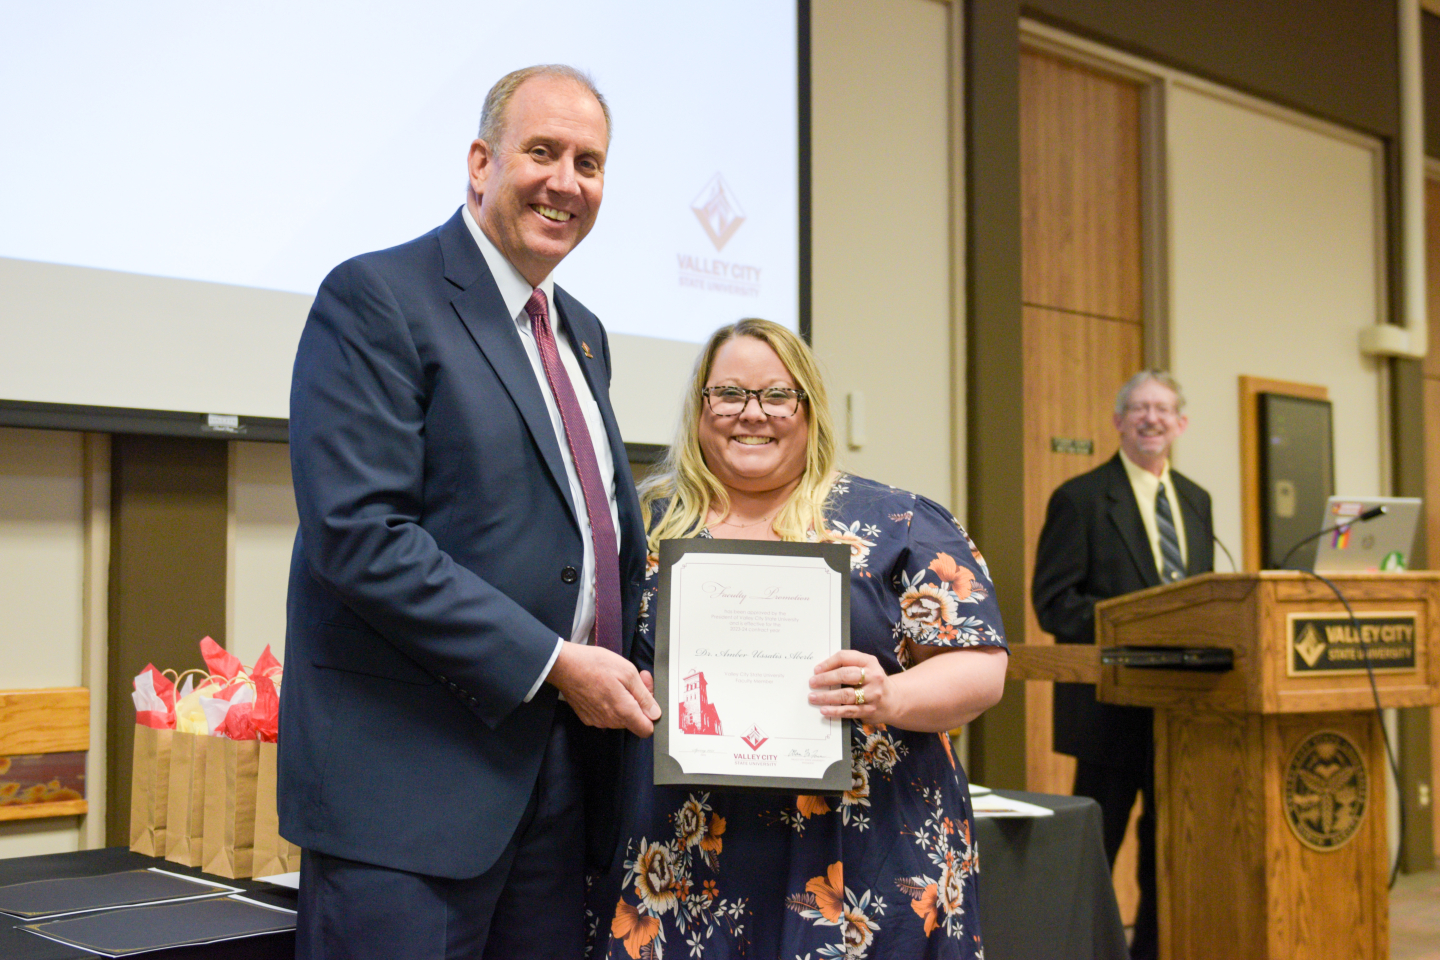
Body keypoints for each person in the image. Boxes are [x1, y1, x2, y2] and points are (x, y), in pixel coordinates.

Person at [280, 64, 660, 960]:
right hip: (410, 796)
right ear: (480, 162)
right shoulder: (378, 297)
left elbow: (589, 540)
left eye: (590, 163)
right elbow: (360, 538)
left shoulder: (584, 333)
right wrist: (556, 661)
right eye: (543, 152)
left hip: (561, 783)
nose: (567, 181)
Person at [585, 318, 1008, 960]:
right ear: (700, 409)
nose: (751, 414)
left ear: (808, 410)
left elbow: (980, 668)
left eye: (777, 396)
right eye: (729, 394)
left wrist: (887, 696)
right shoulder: (639, 525)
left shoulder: (899, 522)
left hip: (864, 856)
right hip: (678, 853)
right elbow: (590, 651)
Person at [1031, 370, 1213, 960]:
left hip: (1182, 710)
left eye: (1163, 409)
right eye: (1138, 408)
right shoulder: (1080, 498)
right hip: (1109, 709)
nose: (1151, 419)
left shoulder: (1196, 500)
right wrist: (1141, 626)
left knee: (1169, 847)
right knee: (1098, 850)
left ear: (1180, 423)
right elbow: (1054, 602)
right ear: (1118, 421)